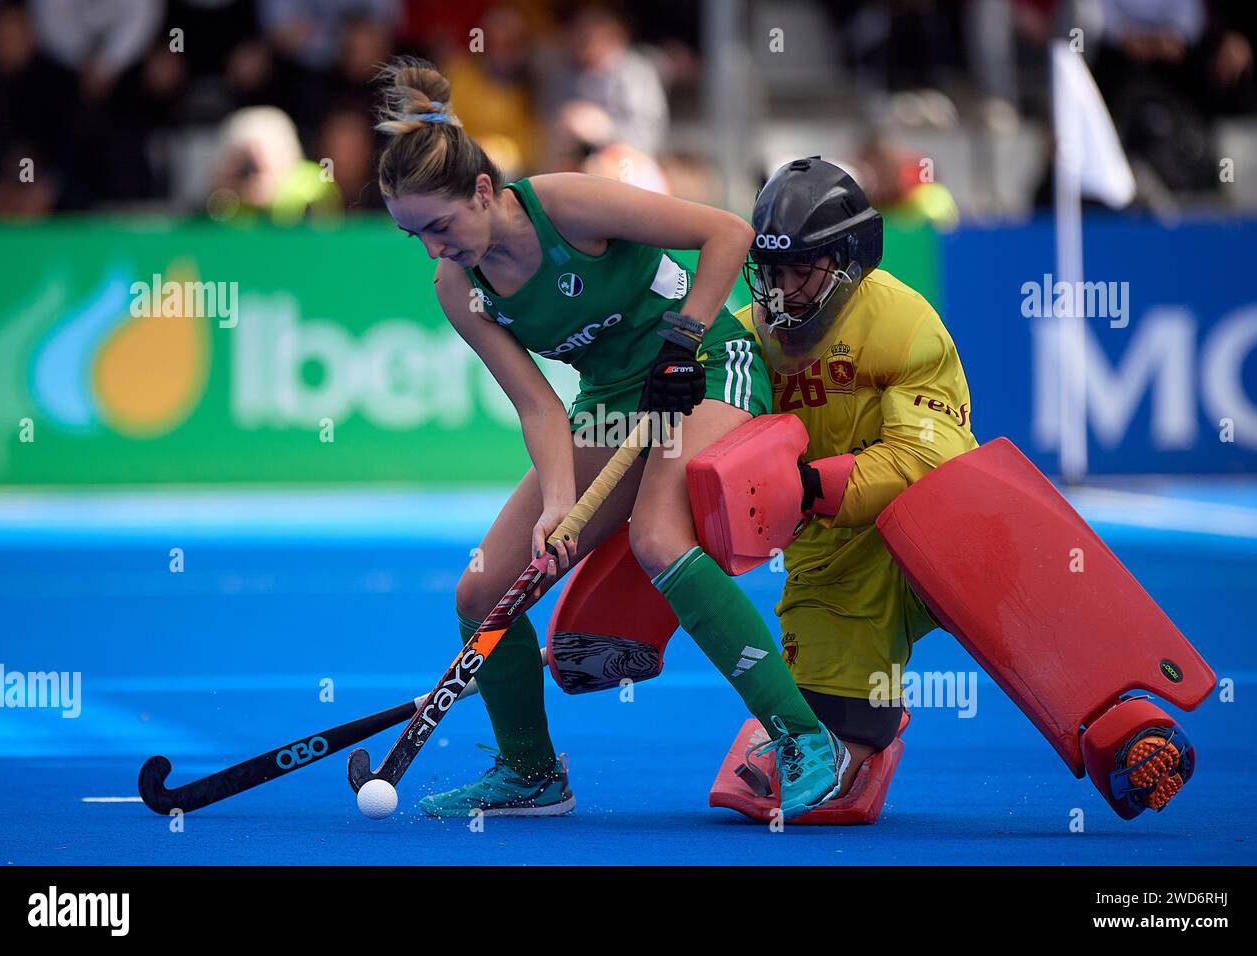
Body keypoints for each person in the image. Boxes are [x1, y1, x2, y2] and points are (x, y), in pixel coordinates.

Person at [373, 59, 847, 819]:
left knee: (660, 537)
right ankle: (532, 774)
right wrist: (558, 506)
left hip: (703, 369)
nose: (433, 248)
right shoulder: (457, 289)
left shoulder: (566, 206)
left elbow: (726, 234)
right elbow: (538, 407)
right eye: (414, 236)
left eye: (440, 226)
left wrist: (682, 340)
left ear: (485, 192)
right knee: (483, 589)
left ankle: (804, 737)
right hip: (611, 405)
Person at [736, 157, 976, 794]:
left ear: (847, 262)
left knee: (1023, 603)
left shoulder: (904, 325)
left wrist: (808, 486)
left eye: (800, 272)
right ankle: (860, 734)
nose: (781, 291)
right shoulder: (744, 340)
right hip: (822, 559)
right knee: (835, 715)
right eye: (771, 273)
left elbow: (929, 455)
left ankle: (1114, 724)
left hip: (929, 535)